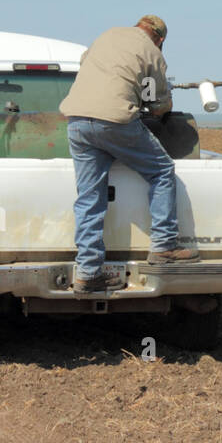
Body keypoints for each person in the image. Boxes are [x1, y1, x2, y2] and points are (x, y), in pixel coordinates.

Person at [59, 15, 199, 293]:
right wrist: (161, 103)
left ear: (138, 26)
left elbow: (90, 65)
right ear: (159, 39)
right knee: (161, 170)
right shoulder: (152, 52)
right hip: (114, 122)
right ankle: (164, 246)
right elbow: (159, 105)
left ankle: (88, 272)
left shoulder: (108, 35)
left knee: (89, 196)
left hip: (76, 120)